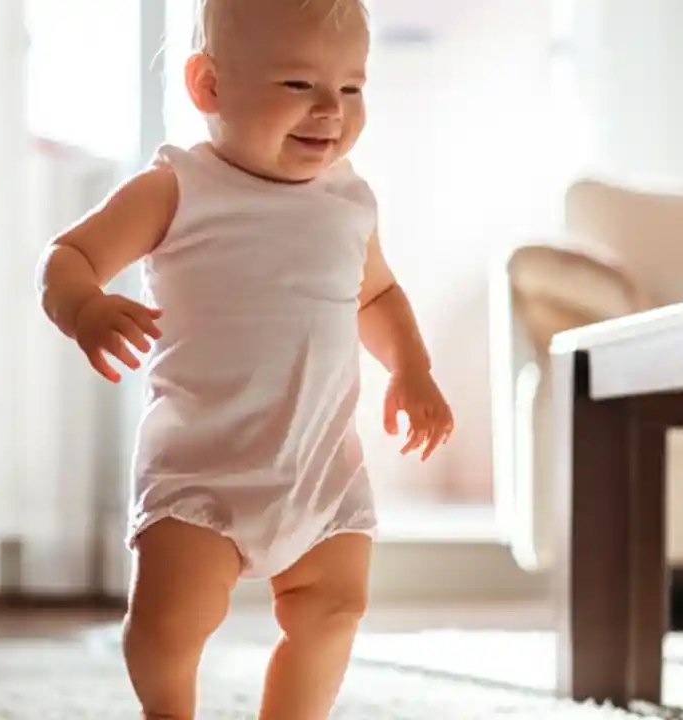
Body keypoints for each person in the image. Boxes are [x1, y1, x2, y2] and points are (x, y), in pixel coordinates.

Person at [35, 0, 453, 716]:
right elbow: (68, 256)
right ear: (208, 88)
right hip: (201, 472)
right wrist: (86, 308)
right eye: (299, 85)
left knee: (334, 612)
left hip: (320, 472)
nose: (331, 110)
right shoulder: (178, 188)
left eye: (351, 88)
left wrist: (412, 369)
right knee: (168, 628)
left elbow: (377, 295)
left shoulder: (349, 202)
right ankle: (168, 710)